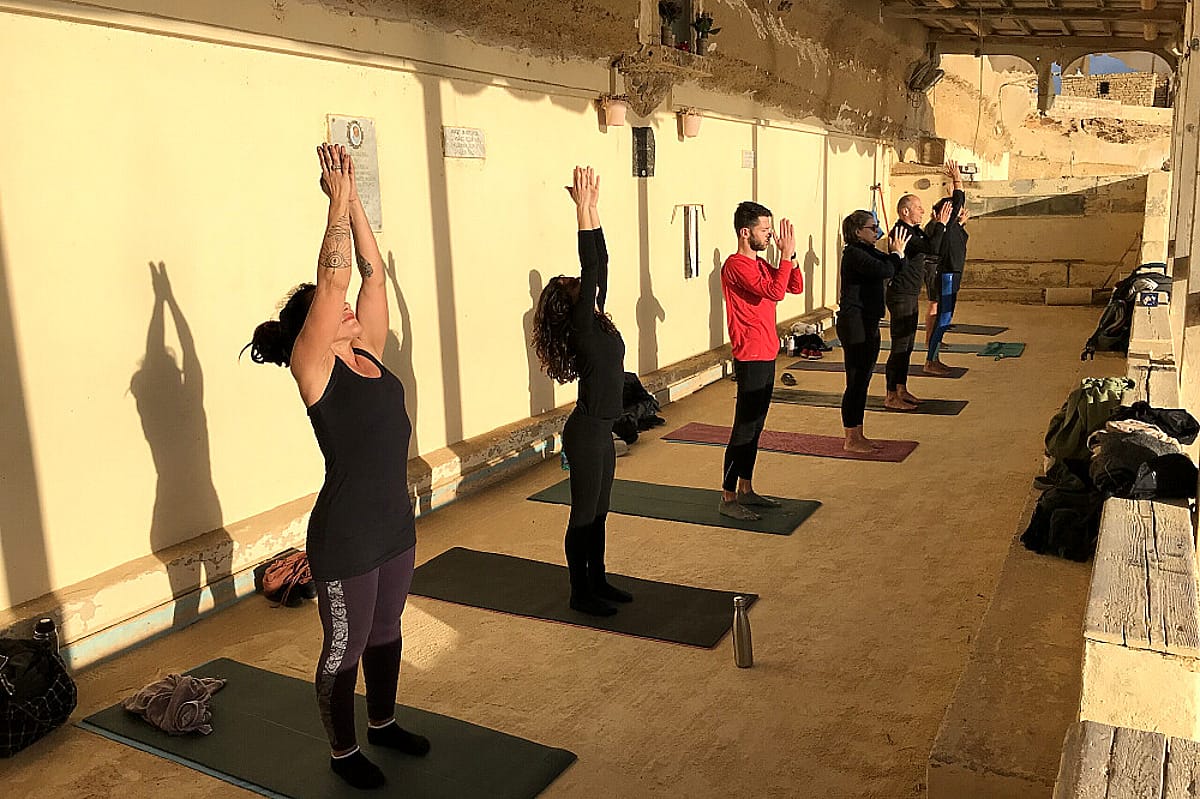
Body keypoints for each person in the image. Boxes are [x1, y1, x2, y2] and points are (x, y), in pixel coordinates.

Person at [244, 143, 428, 790]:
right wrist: (336, 204)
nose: (349, 303)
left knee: (386, 632)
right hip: (345, 536)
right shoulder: (314, 368)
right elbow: (334, 281)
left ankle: (382, 723)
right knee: (343, 648)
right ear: (314, 331)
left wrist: (357, 205)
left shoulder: (369, 351)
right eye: (336, 309)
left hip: (393, 526)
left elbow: (371, 276)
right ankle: (343, 752)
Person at [532, 166, 633, 618]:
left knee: (602, 509)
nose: (590, 286)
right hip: (587, 433)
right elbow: (591, 266)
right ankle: (580, 590)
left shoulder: (597, 317)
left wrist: (594, 208)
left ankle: (599, 578)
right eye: (581, 287)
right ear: (573, 303)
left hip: (601, 429)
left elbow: (601, 262)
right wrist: (580, 213)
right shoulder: (584, 326)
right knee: (584, 514)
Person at [719, 201, 803, 521]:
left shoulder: (762, 264)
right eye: (764, 230)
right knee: (744, 426)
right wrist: (782, 258)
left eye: (770, 230)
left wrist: (790, 256)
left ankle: (746, 487)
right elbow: (775, 292)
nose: (770, 236)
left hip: (767, 351)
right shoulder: (736, 266)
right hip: (750, 354)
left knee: (757, 425)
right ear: (745, 232)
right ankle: (727, 496)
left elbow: (793, 286)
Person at [886, 162, 959, 409]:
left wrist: (944, 216)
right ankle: (890, 395)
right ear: (905, 211)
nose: (921, 210)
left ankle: (901, 388)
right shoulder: (902, 232)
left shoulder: (914, 231)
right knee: (899, 346)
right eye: (917, 207)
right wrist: (941, 223)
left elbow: (933, 244)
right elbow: (932, 248)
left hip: (910, 294)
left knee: (907, 346)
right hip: (901, 296)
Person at [836, 212, 909, 452]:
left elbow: (894, 266)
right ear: (857, 231)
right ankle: (851, 438)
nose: (876, 231)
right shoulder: (854, 254)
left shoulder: (868, 250)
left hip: (868, 322)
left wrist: (897, 253)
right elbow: (885, 270)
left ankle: (858, 433)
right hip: (854, 323)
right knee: (856, 380)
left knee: (864, 379)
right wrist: (896, 254)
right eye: (872, 227)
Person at [925, 201, 970, 375]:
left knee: (945, 320)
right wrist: (957, 180)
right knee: (942, 319)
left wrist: (961, 222)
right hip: (946, 276)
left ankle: (934, 357)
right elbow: (959, 198)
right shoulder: (941, 228)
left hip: (954, 276)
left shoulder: (955, 228)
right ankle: (931, 361)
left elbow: (961, 239)